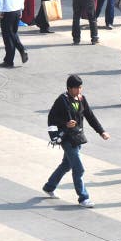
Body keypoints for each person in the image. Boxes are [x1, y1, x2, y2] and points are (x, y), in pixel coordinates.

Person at [43, 75, 109, 208]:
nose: (79, 90)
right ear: (69, 88)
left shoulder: (81, 99)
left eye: (80, 87)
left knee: (66, 165)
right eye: (76, 88)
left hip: (77, 137)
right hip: (67, 139)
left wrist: (101, 131)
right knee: (79, 168)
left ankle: (49, 186)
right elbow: (51, 118)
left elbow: (90, 116)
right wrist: (65, 124)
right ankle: (83, 197)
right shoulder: (61, 101)